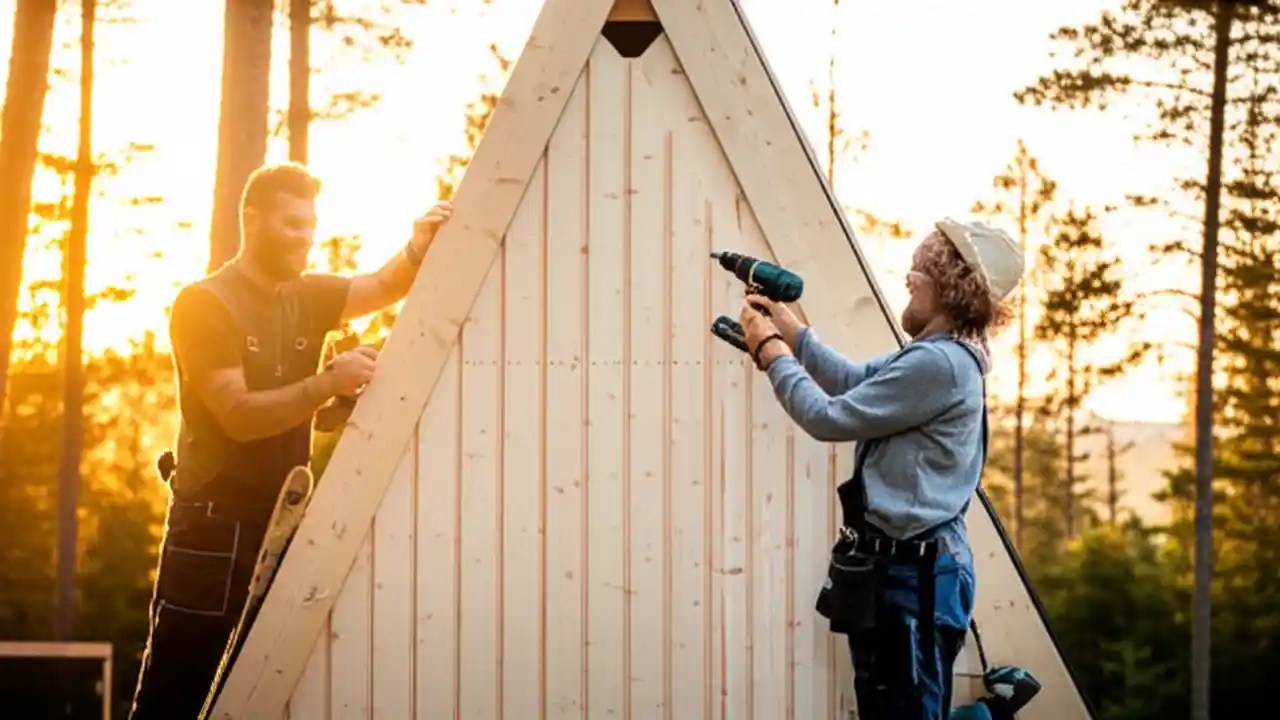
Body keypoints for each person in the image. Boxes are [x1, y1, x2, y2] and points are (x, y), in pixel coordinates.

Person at [129, 162, 453, 719]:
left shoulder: (308, 294)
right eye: (292, 225)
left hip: (283, 522)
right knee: (176, 695)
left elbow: (382, 285)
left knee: (266, 689)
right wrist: (329, 383)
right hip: (213, 530)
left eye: (310, 226)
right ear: (252, 220)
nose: (305, 238)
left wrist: (416, 247)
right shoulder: (204, 304)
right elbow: (238, 415)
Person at [738, 218, 1023, 720]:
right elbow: (850, 383)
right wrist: (789, 329)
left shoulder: (941, 365)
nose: (907, 280)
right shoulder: (933, 356)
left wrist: (770, 351)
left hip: (914, 579)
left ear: (948, 287)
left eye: (918, 271)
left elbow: (829, 418)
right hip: (906, 569)